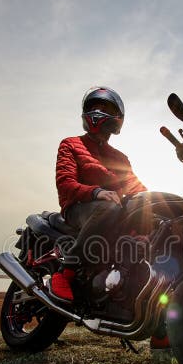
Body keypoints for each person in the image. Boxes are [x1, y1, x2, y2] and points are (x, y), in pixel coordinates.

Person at [51, 86, 147, 303]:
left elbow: (137, 189)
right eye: (94, 106)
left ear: (117, 118)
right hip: (78, 208)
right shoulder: (71, 144)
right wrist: (96, 192)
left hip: (109, 212)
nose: (98, 111)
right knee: (110, 207)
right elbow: (65, 183)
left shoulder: (120, 158)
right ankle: (66, 272)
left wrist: (160, 204)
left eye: (105, 108)